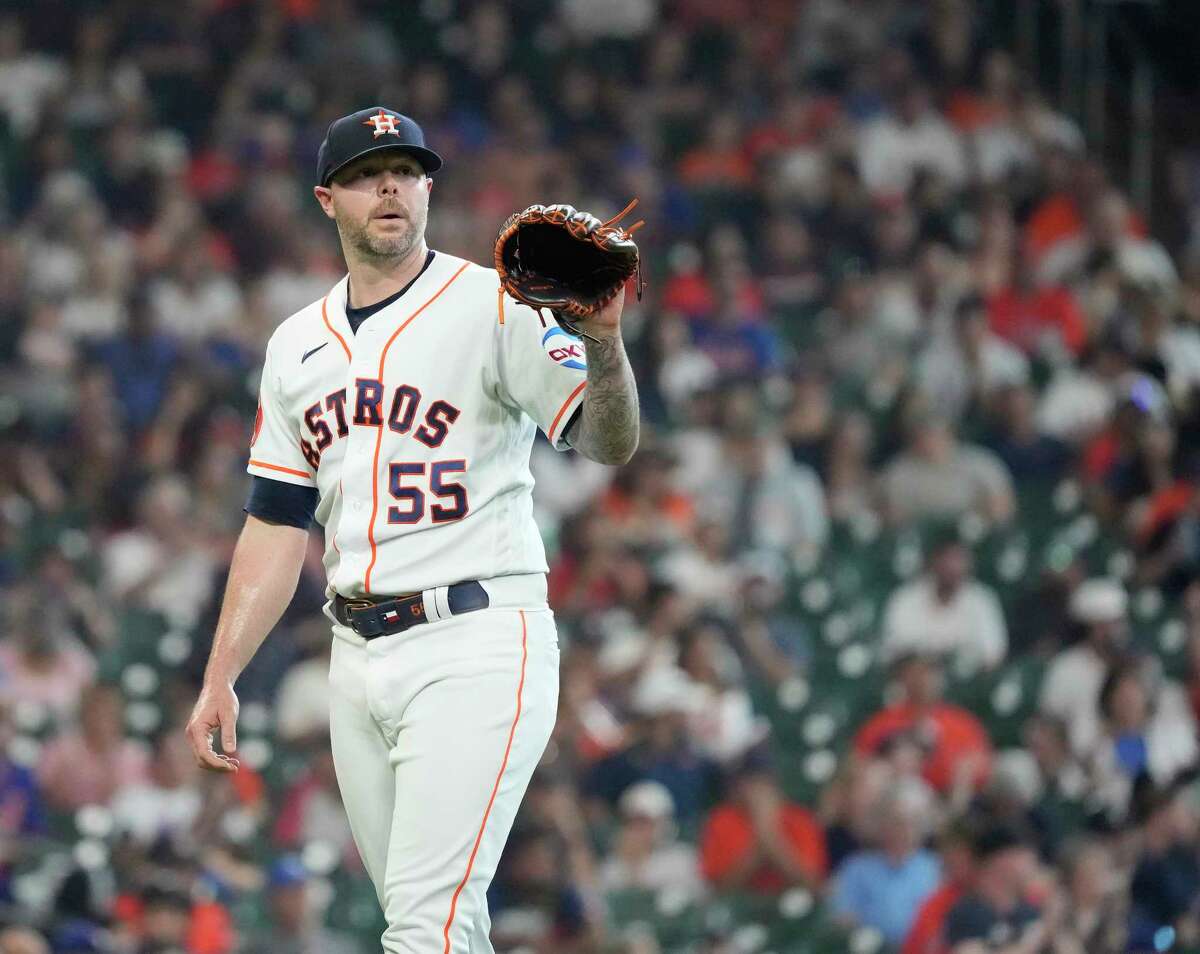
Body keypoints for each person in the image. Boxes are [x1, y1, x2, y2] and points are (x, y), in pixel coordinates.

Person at [185, 107, 640, 954]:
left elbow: (608, 441)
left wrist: (606, 348)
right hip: (353, 659)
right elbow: (277, 524)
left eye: (407, 169)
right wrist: (222, 674)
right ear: (328, 200)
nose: (390, 185)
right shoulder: (294, 346)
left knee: (424, 928)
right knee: (434, 928)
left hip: (474, 638)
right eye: (366, 173)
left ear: (430, 187)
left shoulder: (497, 304)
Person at [829, 779, 942, 946]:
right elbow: (841, 920)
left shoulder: (936, 870)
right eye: (898, 821)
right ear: (883, 822)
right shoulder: (856, 869)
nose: (906, 829)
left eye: (915, 821)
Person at [881, 531, 1009, 673]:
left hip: (968, 686)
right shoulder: (905, 598)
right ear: (933, 560)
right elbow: (893, 653)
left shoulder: (982, 600)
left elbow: (994, 656)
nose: (953, 567)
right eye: (948, 558)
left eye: (960, 559)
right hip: (916, 684)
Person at [244, 856, 359, 954]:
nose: (296, 901)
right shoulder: (258, 947)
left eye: (299, 892)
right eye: (288, 894)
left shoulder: (335, 946)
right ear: (272, 899)